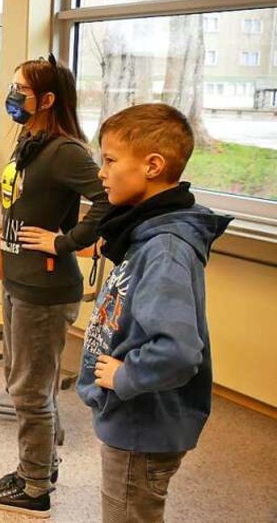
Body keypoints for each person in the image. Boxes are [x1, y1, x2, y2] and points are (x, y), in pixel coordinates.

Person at [78, 103, 229, 523]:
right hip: (131, 420)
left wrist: (125, 376)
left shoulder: (165, 250)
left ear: (153, 166)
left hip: (142, 426)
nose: (101, 173)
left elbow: (178, 351)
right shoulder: (146, 236)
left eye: (110, 161)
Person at [0, 54, 111, 517]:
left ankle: (34, 488)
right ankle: (41, 466)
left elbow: (109, 200)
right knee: (25, 385)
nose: (12, 96)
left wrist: (65, 241)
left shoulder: (65, 150)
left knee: (30, 391)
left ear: (48, 99)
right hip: (18, 281)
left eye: (21, 90)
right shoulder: (31, 142)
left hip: (45, 289)